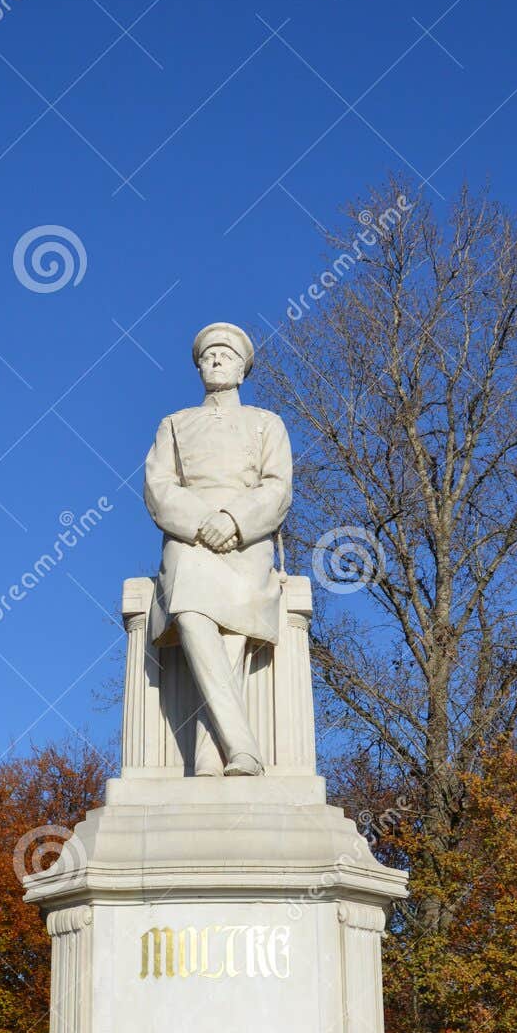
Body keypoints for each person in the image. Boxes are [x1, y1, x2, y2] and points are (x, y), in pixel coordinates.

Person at [144, 323, 292, 776]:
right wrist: (201, 522)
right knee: (190, 614)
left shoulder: (266, 423)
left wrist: (233, 521)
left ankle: (212, 758)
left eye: (225, 356)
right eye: (208, 357)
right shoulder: (175, 423)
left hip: (246, 539)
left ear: (242, 371)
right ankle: (242, 745)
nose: (215, 362)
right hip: (189, 538)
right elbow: (158, 485)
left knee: (232, 629)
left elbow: (278, 486)